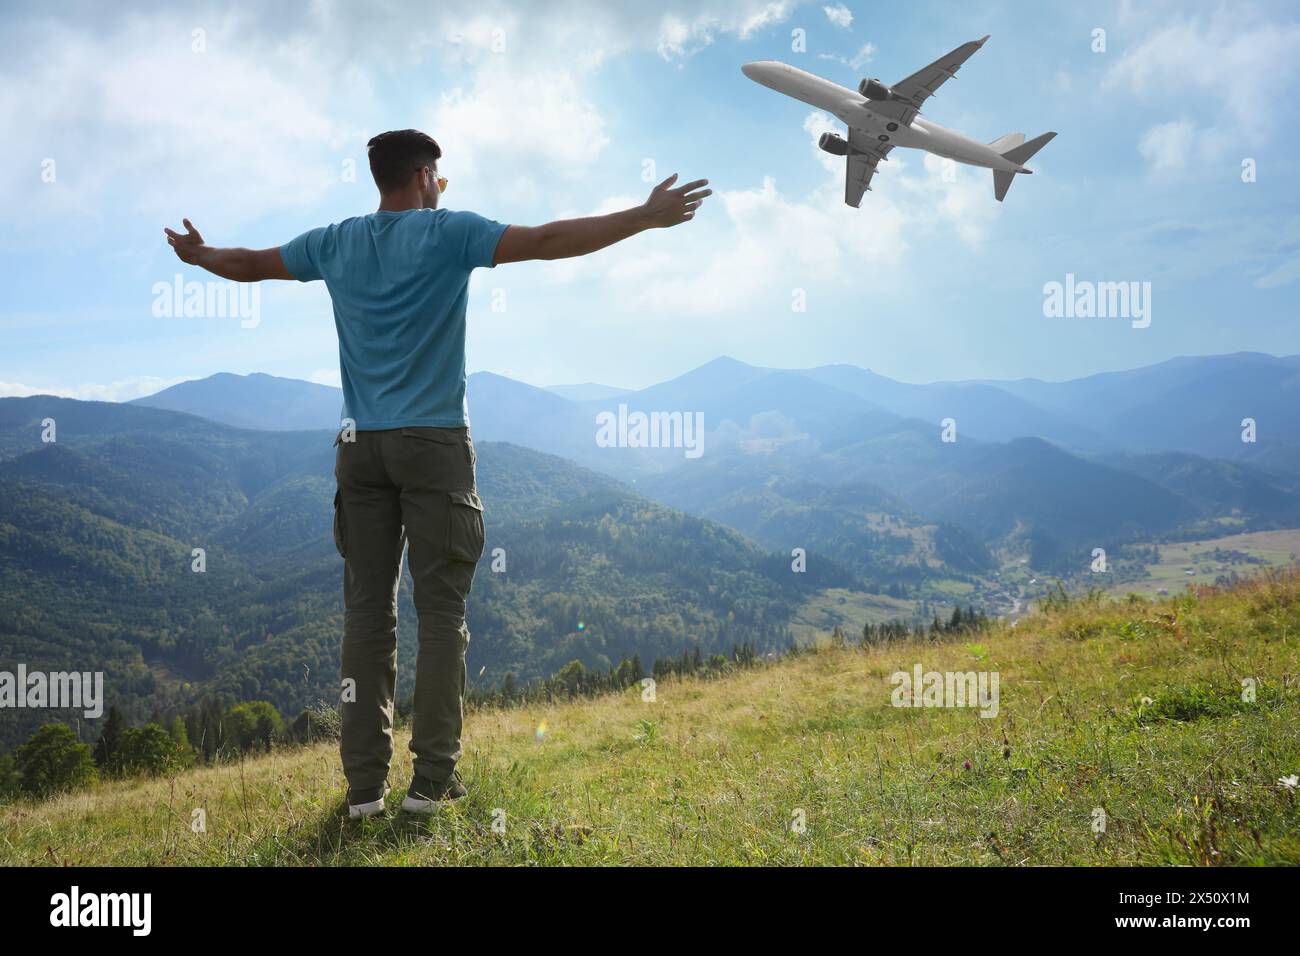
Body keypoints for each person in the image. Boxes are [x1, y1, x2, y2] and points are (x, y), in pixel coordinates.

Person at [164, 129, 710, 818]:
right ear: (425, 175)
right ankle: (432, 783)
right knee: (441, 613)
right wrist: (643, 215)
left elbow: (246, 263)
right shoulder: (449, 234)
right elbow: (544, 240)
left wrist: (197, 254)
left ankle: (364, 789)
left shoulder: (334, 242)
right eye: (438, 179)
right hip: (433, 443)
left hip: (359, 447)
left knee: (366, 618)